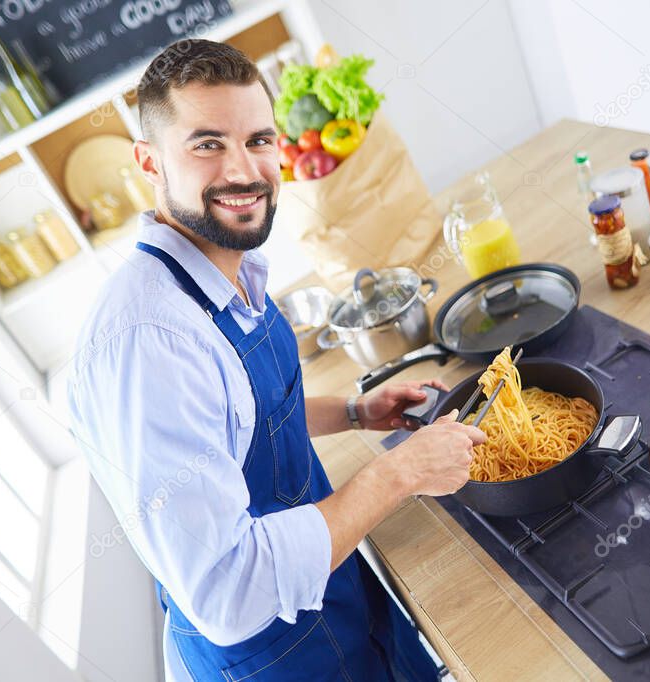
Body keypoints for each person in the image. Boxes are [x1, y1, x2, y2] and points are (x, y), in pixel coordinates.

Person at [66, 38, 485, 681]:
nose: (244, 170)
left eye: (258, 140)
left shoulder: (228, 271)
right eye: (208, 144)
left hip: (331, 588)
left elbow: (241, 420)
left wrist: (355, 411)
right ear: (150, 162)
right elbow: (228, 593)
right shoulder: (149, 345)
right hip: (273, 656)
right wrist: (398, 473)